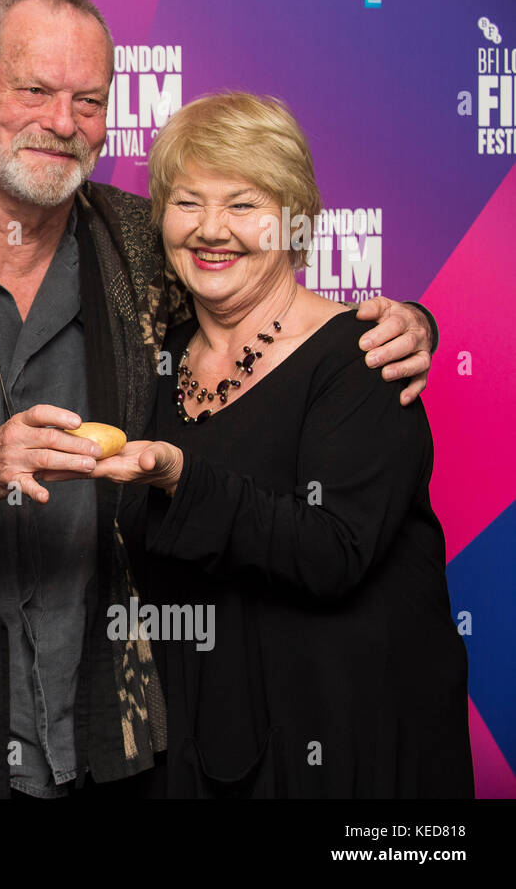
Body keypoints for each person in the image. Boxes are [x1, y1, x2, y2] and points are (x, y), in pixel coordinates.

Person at [0, 0, 439, 798]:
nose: (63, 121)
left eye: (89, 100)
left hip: (121, 751)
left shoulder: (140, 249)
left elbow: (267, 305)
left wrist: (408, 321)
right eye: (36, 90)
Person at [90, 92, 472, 797]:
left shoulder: (364, 356)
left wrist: (183, 478)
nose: (211, 229)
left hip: (343, 747)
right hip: (202, 747)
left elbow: (332, 551)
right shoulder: (161, 357)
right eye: (187, 201)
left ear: (294, 220)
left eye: (243, 204)